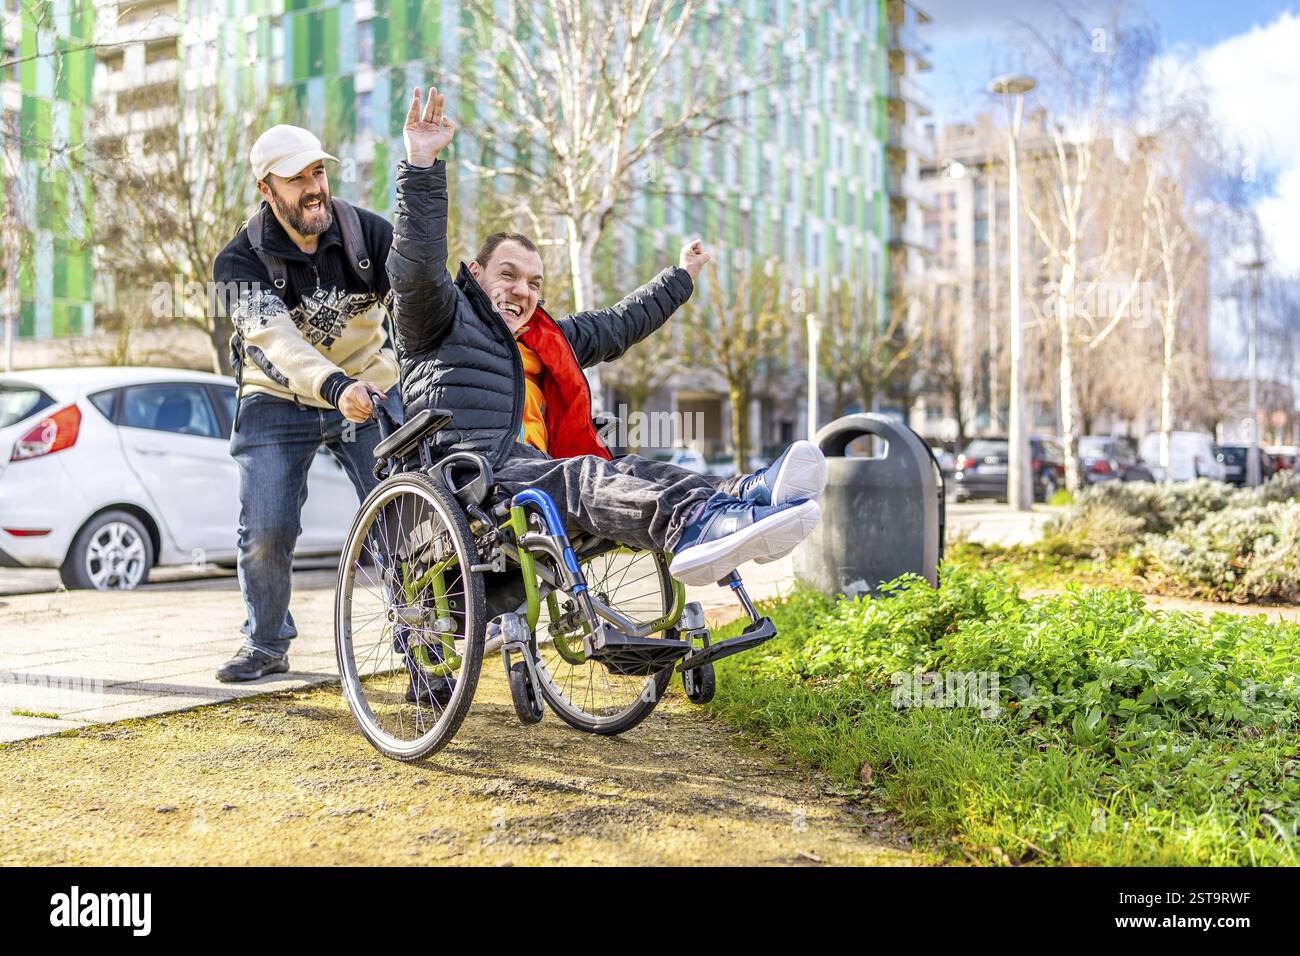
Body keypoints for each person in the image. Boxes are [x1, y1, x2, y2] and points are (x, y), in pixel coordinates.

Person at [387, 85, 827, 602]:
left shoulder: (543, 340)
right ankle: (695, 526)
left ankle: (743, 500)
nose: (522, 292)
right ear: (476, 272)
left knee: (633, 468)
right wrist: (420, 167)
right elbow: (415, 268)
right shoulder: (437, 318)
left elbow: (618, 325)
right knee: (582, 475)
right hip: (473, 480)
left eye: (534, 283)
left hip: (534, 468)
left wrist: (680, 278)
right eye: (508, 275)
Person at [211, 124, 404, 682]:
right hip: (277, 395)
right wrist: (334, 387)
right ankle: (267, 644)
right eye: (295, 178)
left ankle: (422, 637)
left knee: (402, 513)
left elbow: (415, 313)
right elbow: (277, 340)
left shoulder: (369, 236)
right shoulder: (238, 263)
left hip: (370, 385)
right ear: (267, 190)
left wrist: (402, 380)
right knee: (267, 530)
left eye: (317, 171)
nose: (313, 186)